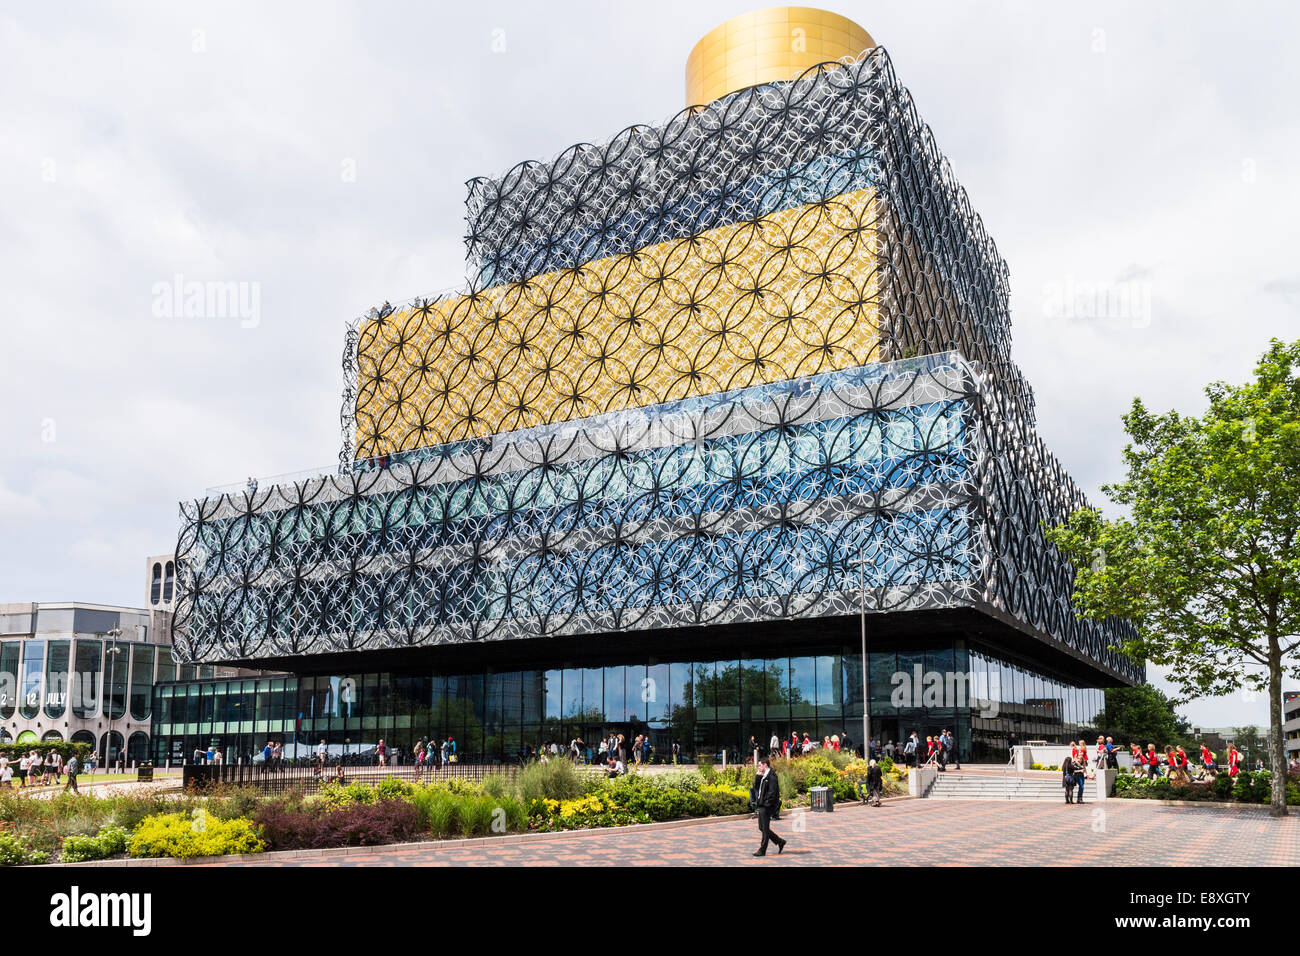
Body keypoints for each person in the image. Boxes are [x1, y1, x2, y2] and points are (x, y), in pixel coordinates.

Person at [751, 758, 786, 857]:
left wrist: (766, 804)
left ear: (765, 765)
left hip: (767, 806)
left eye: (759, 765)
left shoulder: (771, 776)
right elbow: (756, 788)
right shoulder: (763, 775)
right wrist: (757, 777)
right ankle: (780, 841)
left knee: (765, 828)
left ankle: (762, 850)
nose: (758, 767)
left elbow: (773, 792)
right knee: (762, 827)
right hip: (762, 805)